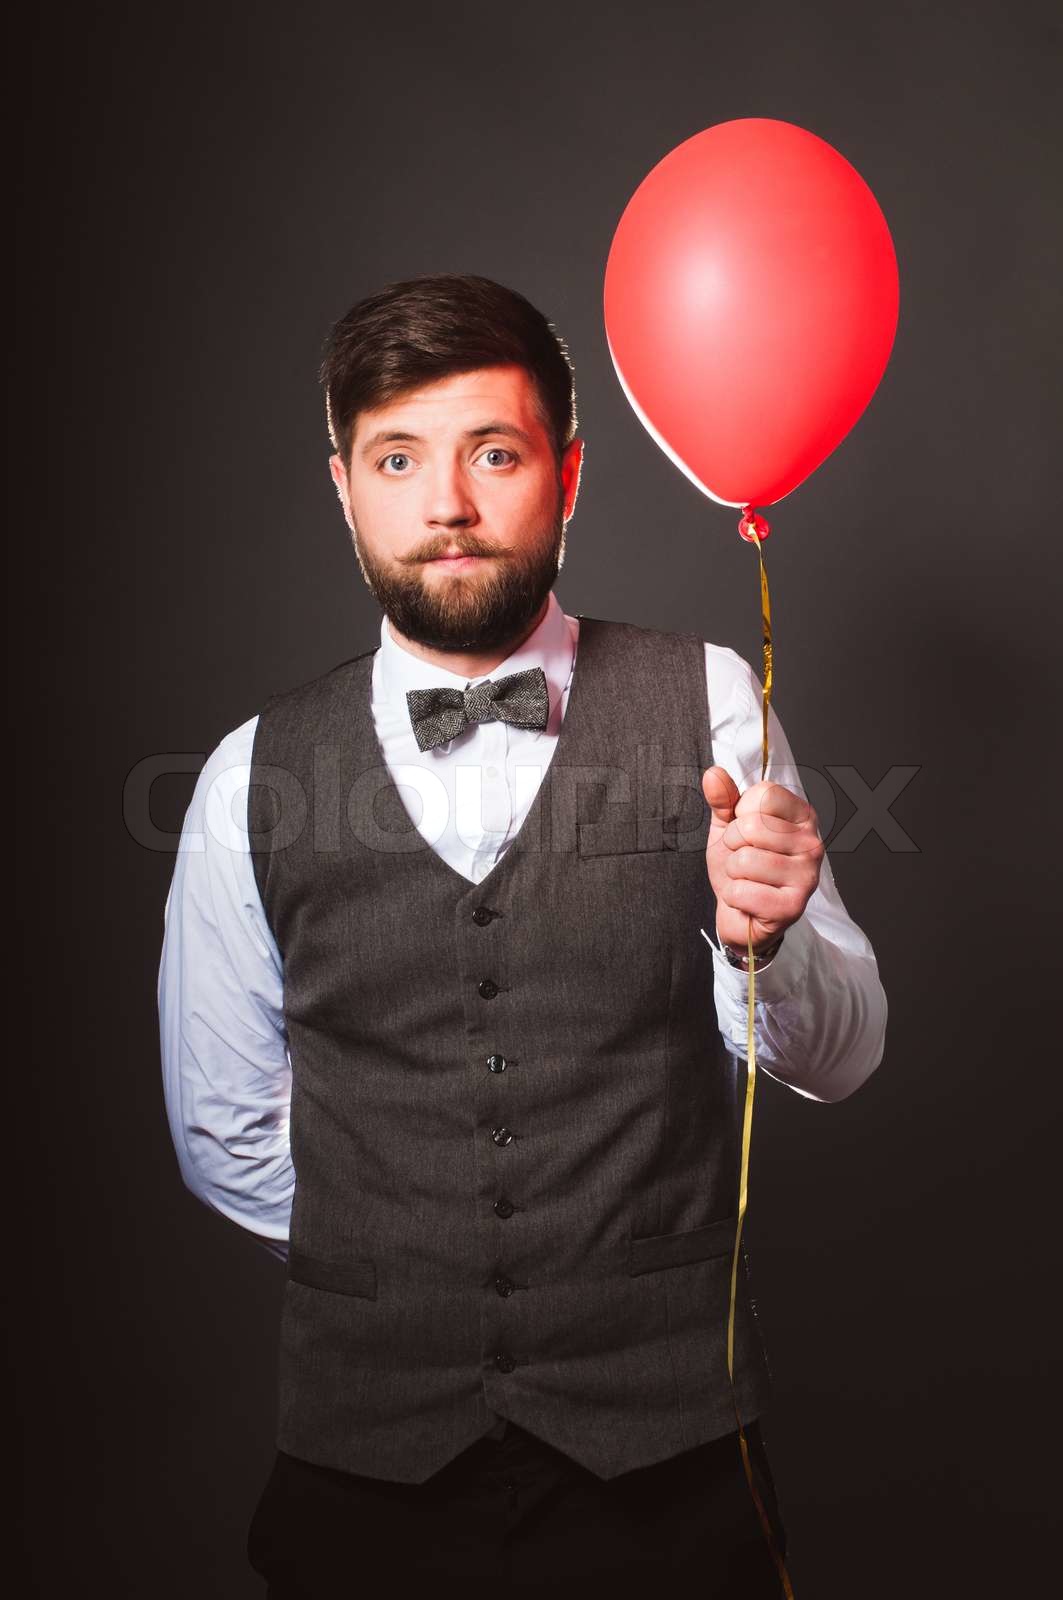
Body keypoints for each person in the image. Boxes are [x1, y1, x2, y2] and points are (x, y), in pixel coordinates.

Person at [157, 272, 887, 1596]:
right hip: (364, 1483)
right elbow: (221, 1133)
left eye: (493, 452)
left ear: (568, 472)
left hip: (673, 1475)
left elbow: (843, 1056)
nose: (447, 504)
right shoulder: (247, 775)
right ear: (344, 488)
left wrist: (761, 949)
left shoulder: (714, 698)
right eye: (398, 459)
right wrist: (414, 1263)